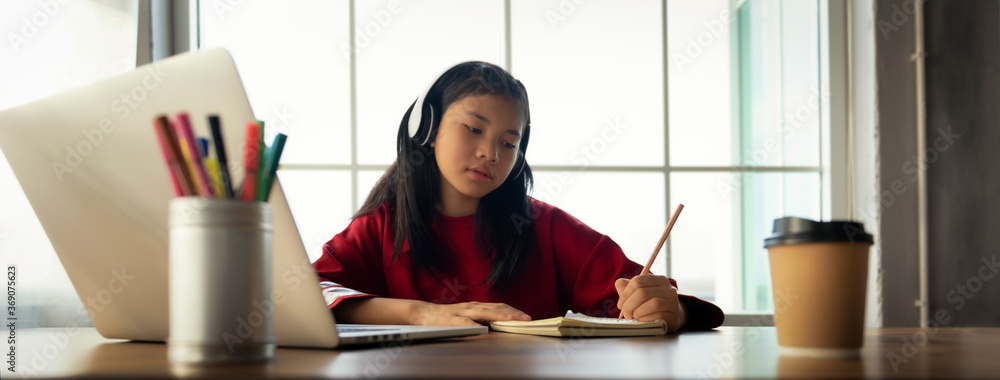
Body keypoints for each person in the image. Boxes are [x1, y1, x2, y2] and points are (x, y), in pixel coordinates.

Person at [312, 61, 724, 332]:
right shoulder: (381, 227)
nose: (490, 153)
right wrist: (422, 313)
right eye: (474, 129)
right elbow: (308, 295)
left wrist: (671, 309)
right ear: (428, 128)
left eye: (508, 143)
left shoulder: (544, 227)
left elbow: (646, 295)